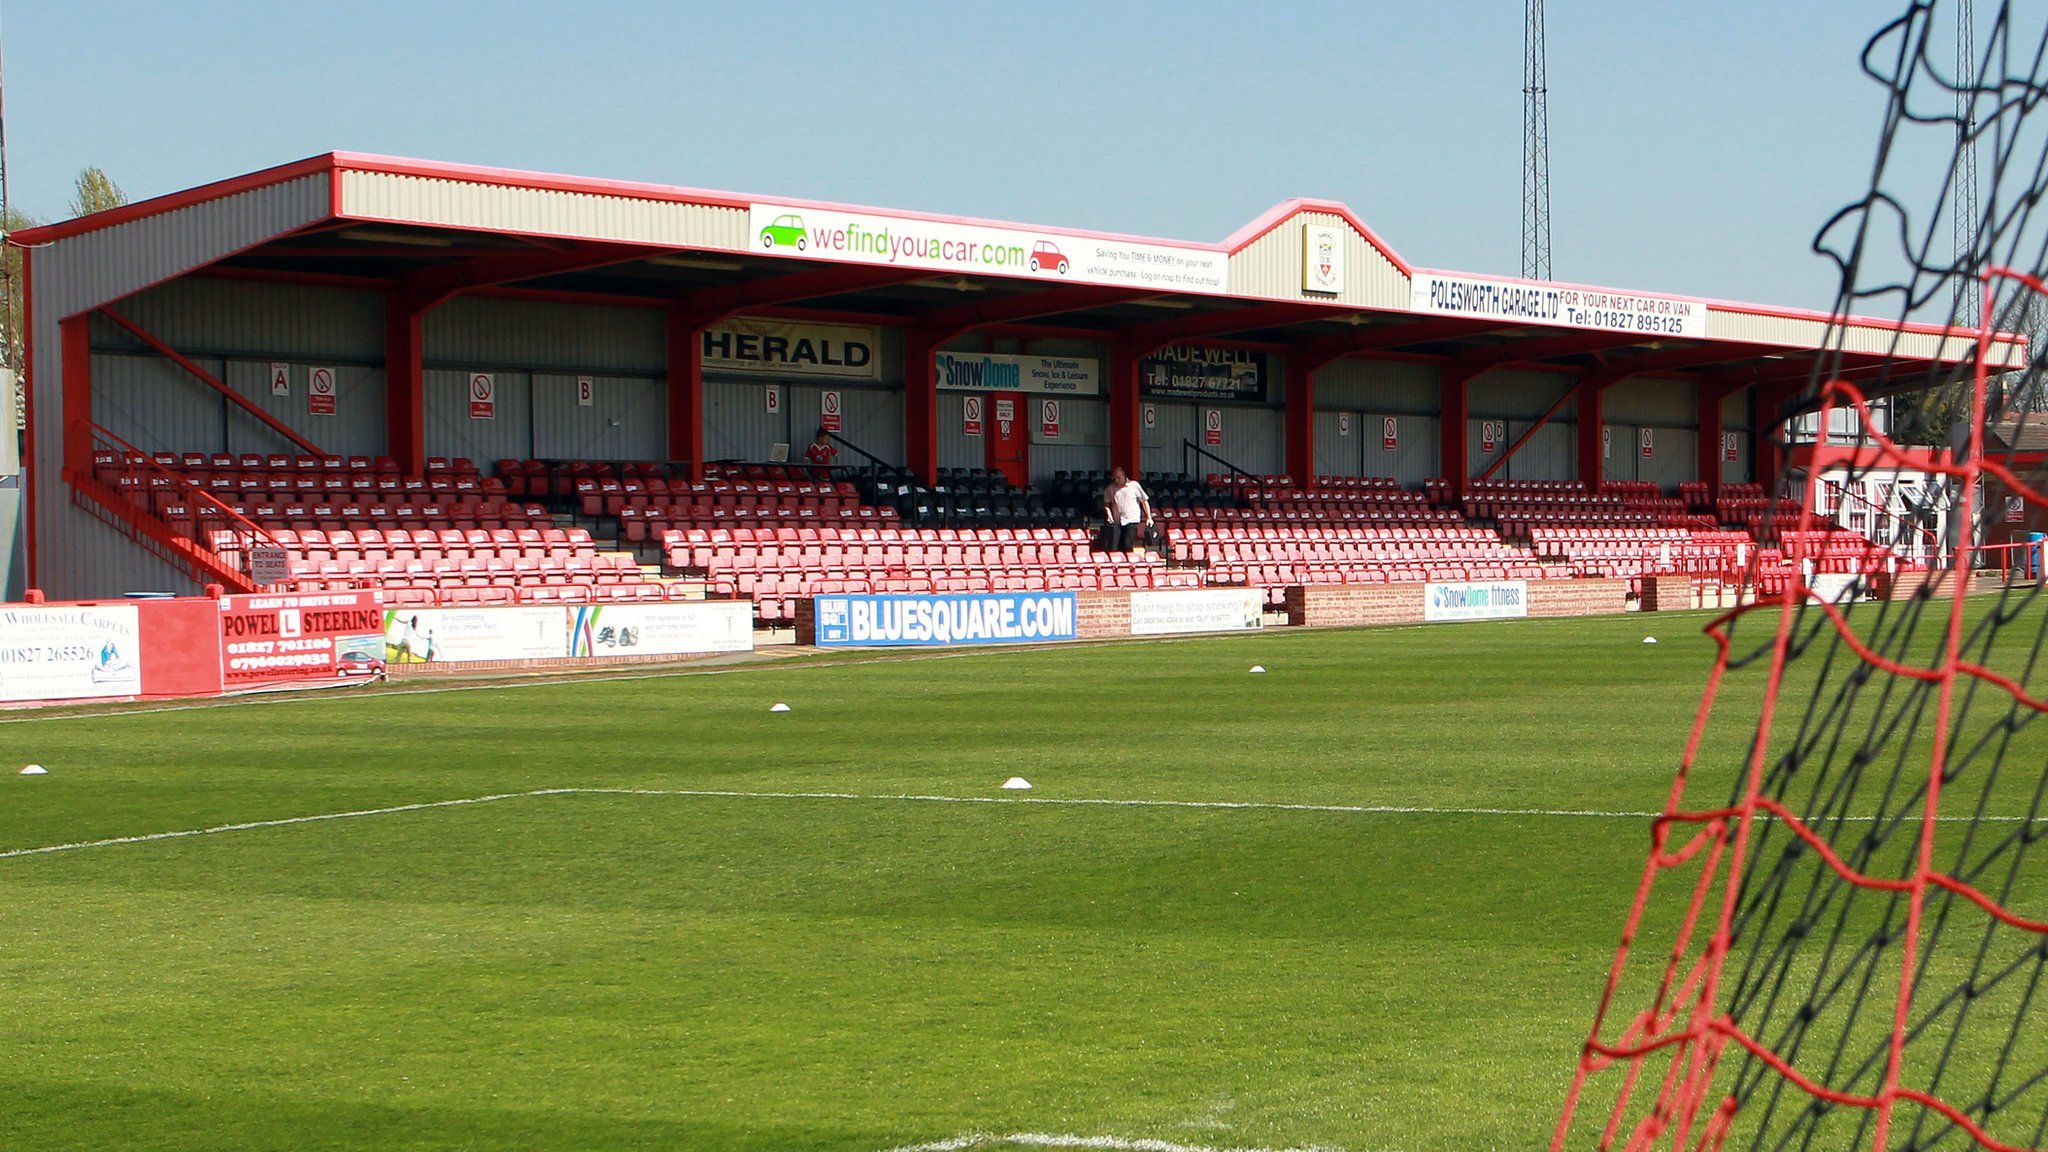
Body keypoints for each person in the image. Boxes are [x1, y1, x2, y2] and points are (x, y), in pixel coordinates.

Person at [1101, 467, 1152, 552]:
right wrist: (1109, 515)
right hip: (1117, 521)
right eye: (1114, 478)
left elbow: (1144, 501)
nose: (1116, 480)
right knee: (1116, 546)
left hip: (1131, 520)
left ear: (1123, 475)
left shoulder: (1134, 485)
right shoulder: (1110, 488)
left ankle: (1129, 558)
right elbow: (1106, 503)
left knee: (1127, 544)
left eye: (1118, 478)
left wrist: (1149, 517)